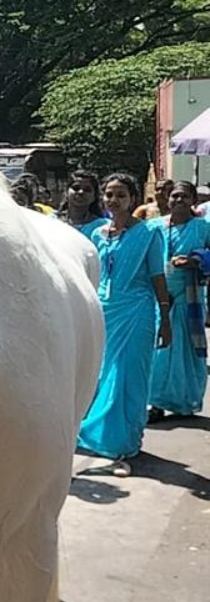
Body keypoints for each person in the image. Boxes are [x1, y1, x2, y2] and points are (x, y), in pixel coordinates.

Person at [79, 173, 173, 476]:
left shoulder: (148, 233)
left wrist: (165, 318)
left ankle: (126, 440)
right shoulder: (98, 234)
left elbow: (158, 276)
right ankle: (100, 436)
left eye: (120, 195)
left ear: (133, 199)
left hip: (138, 311)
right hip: (105, 312)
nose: (113, 201)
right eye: (108, 194)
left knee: (129, 376)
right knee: (104, 373)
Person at [149, 180, 210, 421]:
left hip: (189, 298)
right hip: (159, 298)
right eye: (174, 196)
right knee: (159, 353)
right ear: (166, 198)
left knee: (187, 353)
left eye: (185, 196)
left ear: (194, 201)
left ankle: (185, 403)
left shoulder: (202, 228)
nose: (179, 200)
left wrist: (196, 260)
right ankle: (156, 403)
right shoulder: (154, 227)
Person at [58, 170, 107, 238]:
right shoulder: (52, 221)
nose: (81, 192)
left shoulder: (102, 226)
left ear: (95, 196)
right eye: (76, 188)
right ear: (66, 192)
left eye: (87, 190)